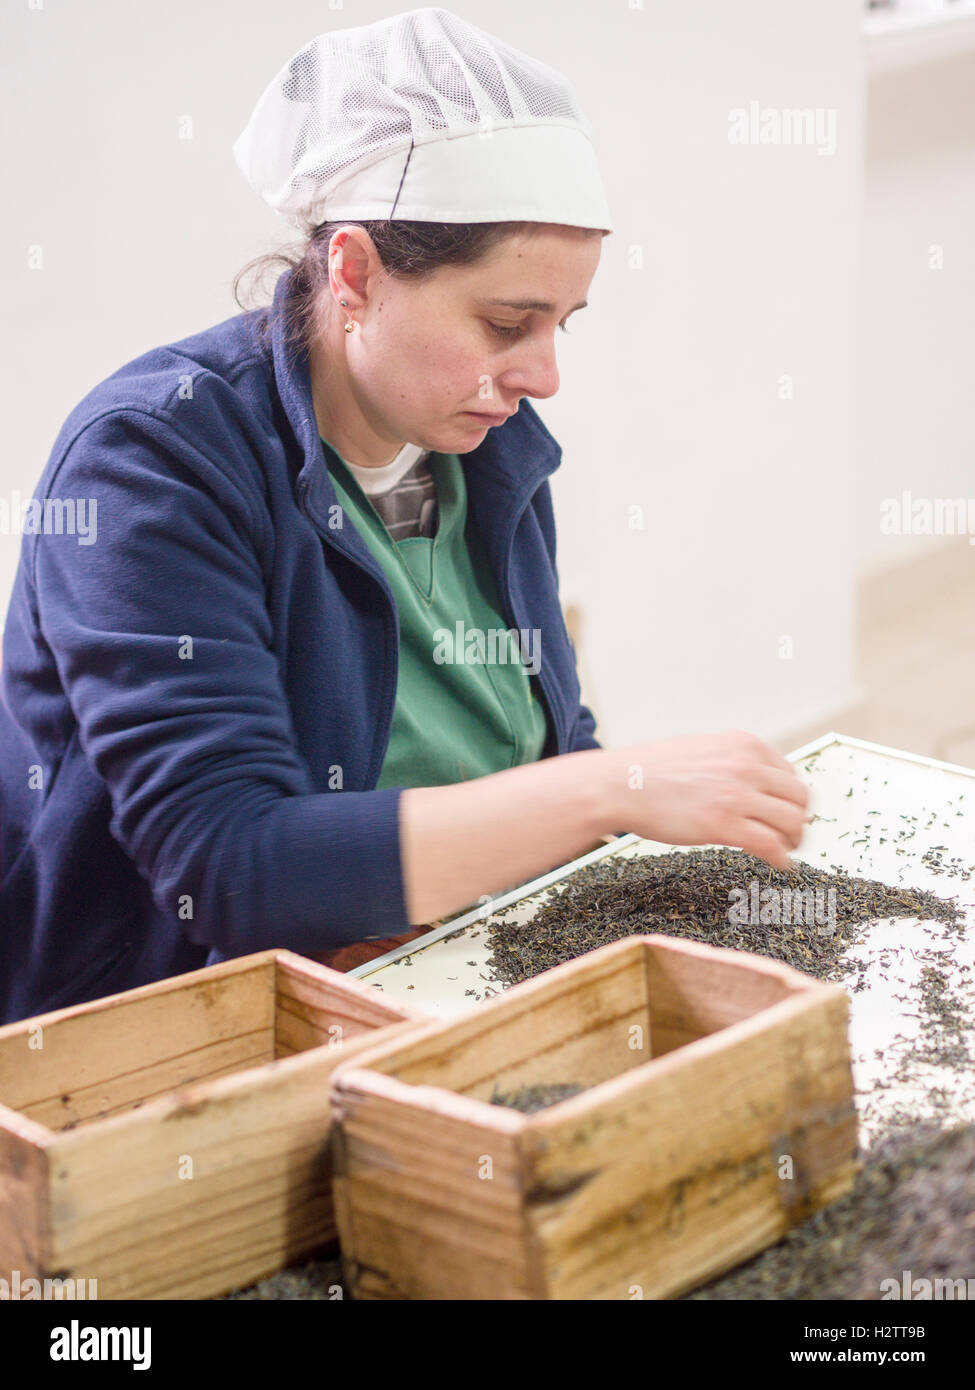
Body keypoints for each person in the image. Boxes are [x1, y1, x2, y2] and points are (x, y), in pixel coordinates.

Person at [0, 8, 808, 1024]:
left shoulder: (486, 440)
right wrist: (613, 788)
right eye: (508, 322)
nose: (545, 374)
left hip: (448, 955)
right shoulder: (149, 462)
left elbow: (538, 734)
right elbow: (229, 866)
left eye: (562, 325)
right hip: (175, 1026)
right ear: (354, 272)